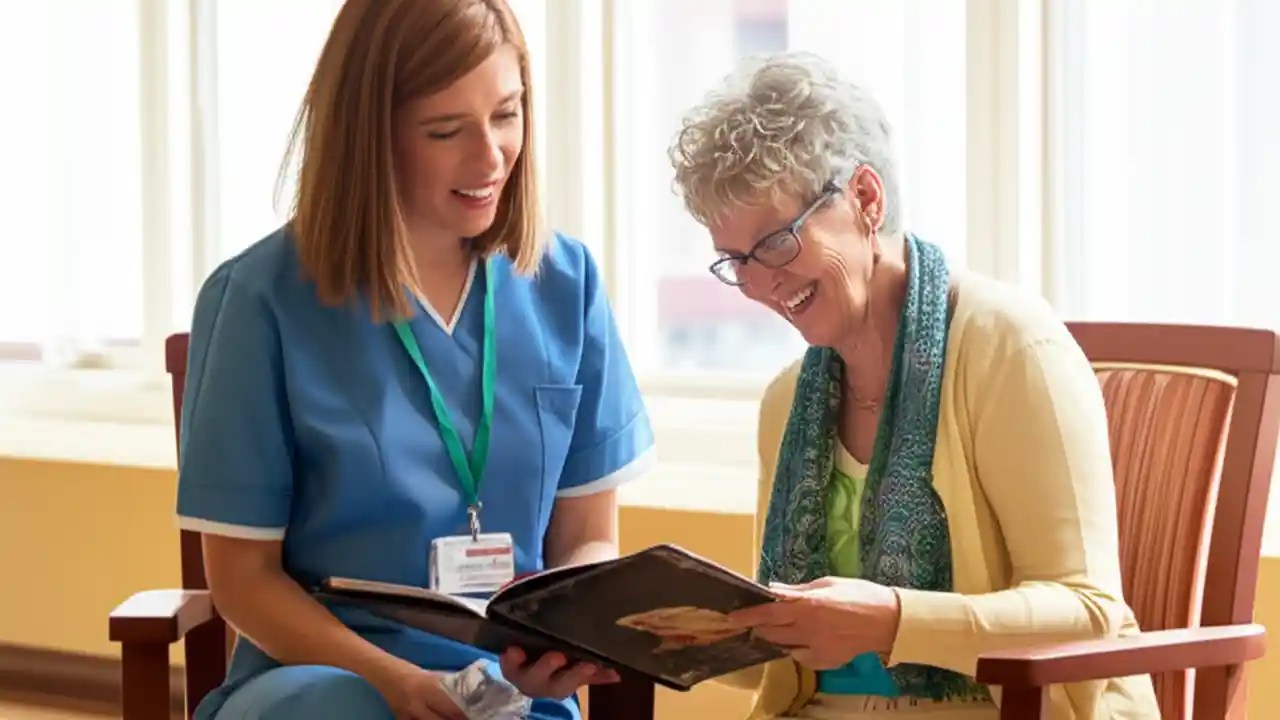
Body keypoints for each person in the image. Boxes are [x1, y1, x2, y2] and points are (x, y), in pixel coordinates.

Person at [174, 1, 654, 718]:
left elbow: (587, 538)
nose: (490, 156)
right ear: (369, 136)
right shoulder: (258, 301)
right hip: (322, 679)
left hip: (507, 691)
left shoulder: (566, 283)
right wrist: (394, 681)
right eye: (445, 130)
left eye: (507, 113)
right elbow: (244, 581)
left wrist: (568, 638)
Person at [667, 52, 1160, 720]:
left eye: (778, 242)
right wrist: (659, 640)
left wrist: (894, 620)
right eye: (737, 261)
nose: (762, 284)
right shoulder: (787, 400)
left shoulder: (1012, 347)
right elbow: (794, 659)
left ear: (866, 199)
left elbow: (1088, 611)